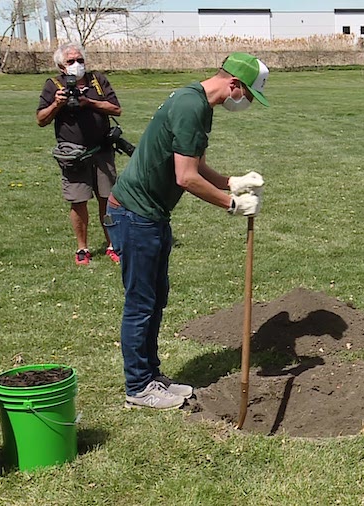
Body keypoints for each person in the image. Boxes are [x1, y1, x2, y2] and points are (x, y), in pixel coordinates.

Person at [104, 52, 269, 410]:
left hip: (151, 214)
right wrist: (231, 203)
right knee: (141, 303)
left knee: (155, 298)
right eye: (250, 96)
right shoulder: (191, 106)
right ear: (234, 85)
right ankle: (138, 387)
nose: (247, 104)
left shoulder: (197, 103)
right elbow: (186, 178)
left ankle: (150, 377)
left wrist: (232, 181)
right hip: (135, 214)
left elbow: (195, 163)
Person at [37, 42, 122, 266]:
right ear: (61, 66)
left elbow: (116, 109)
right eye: (71, 61)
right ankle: (82, 248)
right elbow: (41, 120)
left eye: (80, 60)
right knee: (78, 201)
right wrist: (57, 103)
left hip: (102, 151)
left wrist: (89, 102)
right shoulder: (53, 85)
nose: (77, 65)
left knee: (109, 200)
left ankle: (113, 244)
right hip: (72, 154)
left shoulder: (98, 81)